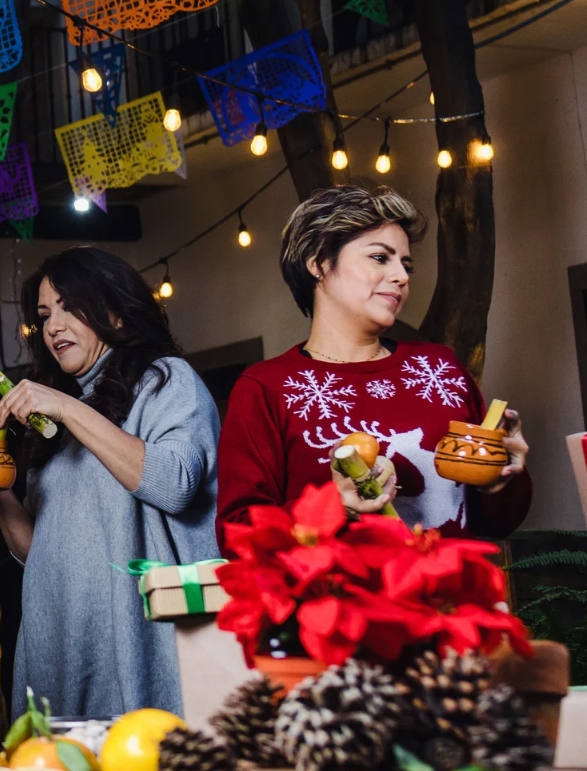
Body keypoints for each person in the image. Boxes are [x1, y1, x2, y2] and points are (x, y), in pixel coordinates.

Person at [0, 246, 219, 719]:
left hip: (137, 640)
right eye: (45, 315)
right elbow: (35, 551)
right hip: (60, 646)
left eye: (69, 307)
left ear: (116, 312)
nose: (53, 327)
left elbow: (175, 484)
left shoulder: (167, 381)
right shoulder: (57, 423)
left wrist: (68, 409)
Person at [218, 185, 529, 543]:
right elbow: (237, 535)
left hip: (450, 596)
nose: (402, 276)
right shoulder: (266, 388)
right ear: (319, 263)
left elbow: (497, 525)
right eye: (381, 258)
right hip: (340, 598)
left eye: (405, 264)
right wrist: (333, 507)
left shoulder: (440, 367)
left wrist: (500, 480)